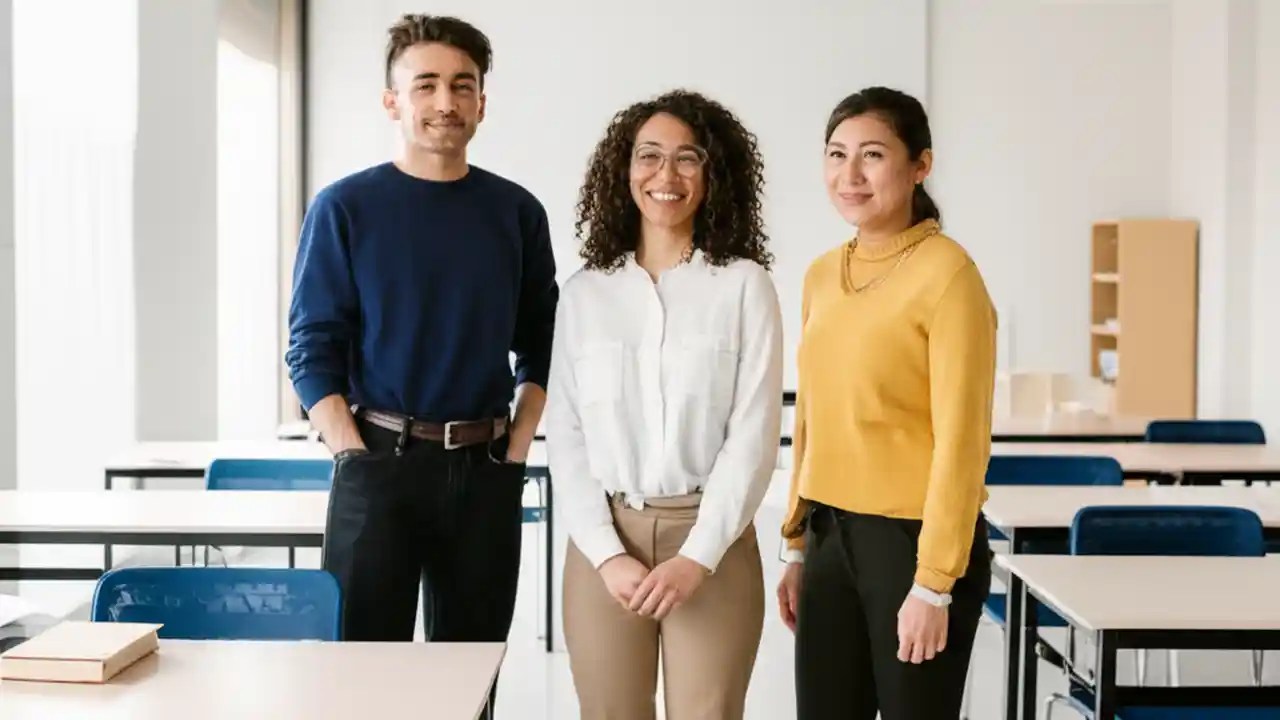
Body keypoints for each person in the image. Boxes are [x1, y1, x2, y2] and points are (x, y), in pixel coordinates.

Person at [284, 12, 557, 657]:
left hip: (485, 468)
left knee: (471, 680)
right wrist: (353, 454)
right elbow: (310, 347)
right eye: (426, 84)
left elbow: (543, 342)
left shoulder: (516, 212)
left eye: (463, 86)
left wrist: (516, 449)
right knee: (363, 679)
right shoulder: (345, 207)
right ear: (392, 101)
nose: (446, 101)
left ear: (482, 104)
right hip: (377, 460)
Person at [545, 89, 783, 720]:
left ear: (714, 173)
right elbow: (565, 434)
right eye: (649, 156)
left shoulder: (743, 286)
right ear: (624, 172)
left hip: (713, 537)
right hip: (606, 541)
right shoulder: (586, 294)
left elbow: (754, 437)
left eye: (688, 158)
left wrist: (697, 557)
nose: (666, 176)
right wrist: (605, 552)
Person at [776, 86, 996, 719]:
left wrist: (934, 583)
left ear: (920, 165)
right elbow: (812, 417)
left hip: (913, 544)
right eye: (836, 154)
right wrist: (796, 545)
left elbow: (963, 440)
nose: (850, 175)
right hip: (828, 535)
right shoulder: (822, 273)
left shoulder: (949, 274)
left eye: (872, 155)